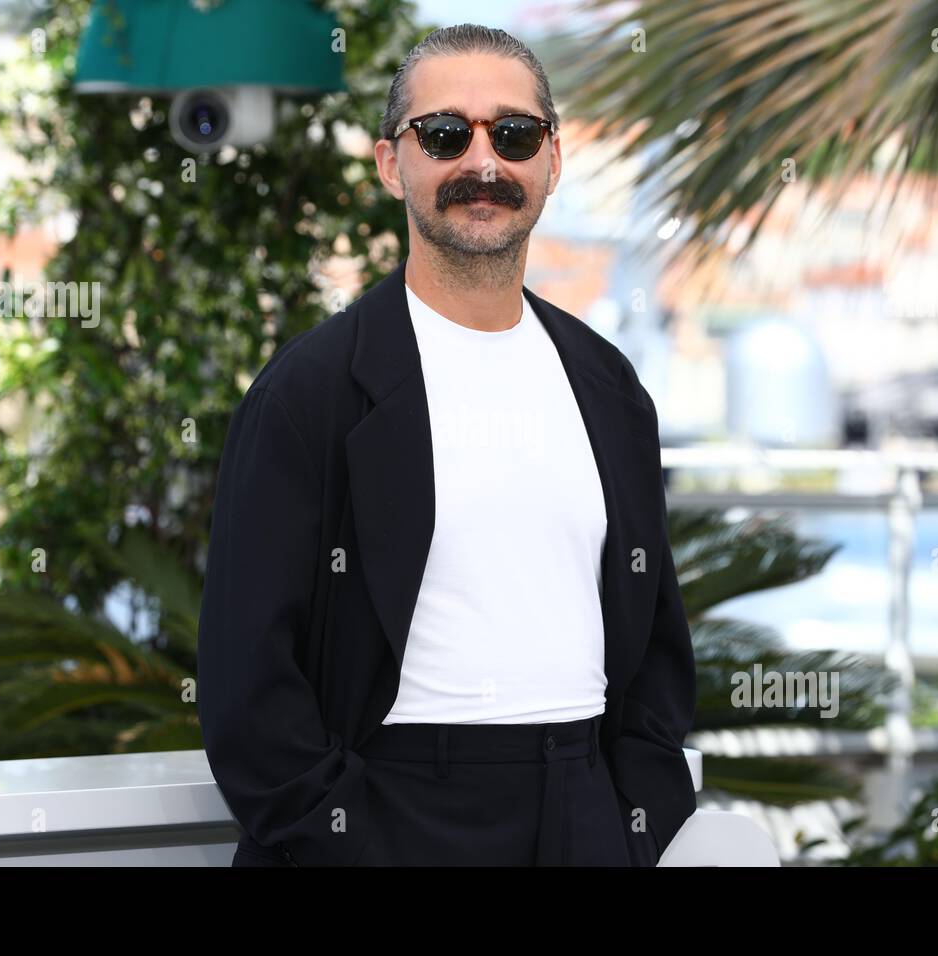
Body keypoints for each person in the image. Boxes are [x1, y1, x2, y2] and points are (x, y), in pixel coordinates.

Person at [197, 23, 697, 867]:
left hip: (582, 813)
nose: (483, 163)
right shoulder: (308, 395)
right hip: (390, 817)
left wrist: (629, 815)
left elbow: (656, 644)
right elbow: (247, 679)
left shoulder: (609, 388)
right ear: (393, 163)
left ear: (550, 160)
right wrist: (342, 836)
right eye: (443, 134)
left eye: (513, 134)